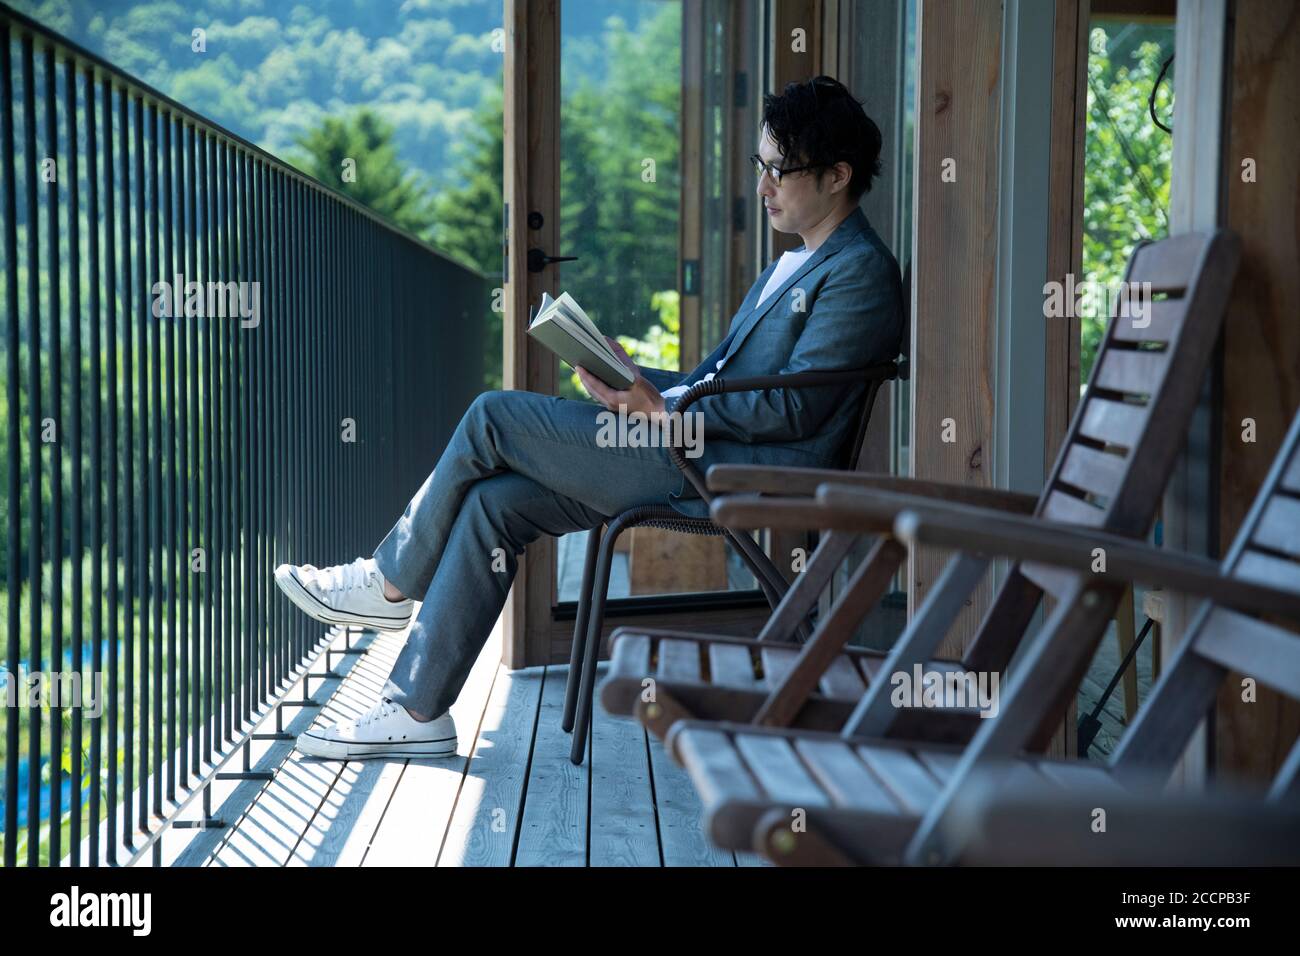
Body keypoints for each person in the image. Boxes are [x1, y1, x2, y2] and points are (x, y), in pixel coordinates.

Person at [275, 75, 904, 759]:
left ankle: (390, 583)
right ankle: (416, 709)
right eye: (761, 166)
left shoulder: (860, 272)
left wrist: (662, 407)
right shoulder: (797, 262)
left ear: (839, 175)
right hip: (688, 443)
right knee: (495, 502)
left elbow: (794, 406)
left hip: (728, 467)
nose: (763, 187)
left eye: (779, 170)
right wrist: (637, 380)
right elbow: (724, 380)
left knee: (494, 416)